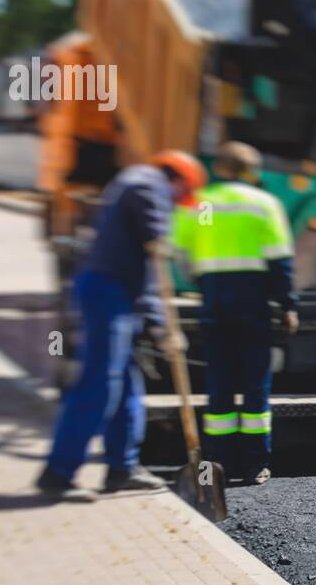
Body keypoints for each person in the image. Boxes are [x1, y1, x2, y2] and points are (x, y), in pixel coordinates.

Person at [37, 151, 206, 499]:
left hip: (120, 292)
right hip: (107, 291)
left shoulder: (140, 183)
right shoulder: (146, 182)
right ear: (176, 180)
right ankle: (58, 473)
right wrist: (160, 234)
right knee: (100, 382)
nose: (177, 204)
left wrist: (161, 326)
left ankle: (122, 468)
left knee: (129, 383)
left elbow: (147, 274)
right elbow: (154, 248)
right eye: (180, 195)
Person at [172, 142, 298, 485]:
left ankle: (218, 464)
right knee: (256, 385)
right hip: (253, 303)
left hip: (214, 302)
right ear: (252, 172)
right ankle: (255, 464)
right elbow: (280, 260)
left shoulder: (200, 203)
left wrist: (194, 280)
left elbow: (178, 249)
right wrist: (288, 304)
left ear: (221, 168)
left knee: (219, 383)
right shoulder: (264, 204)